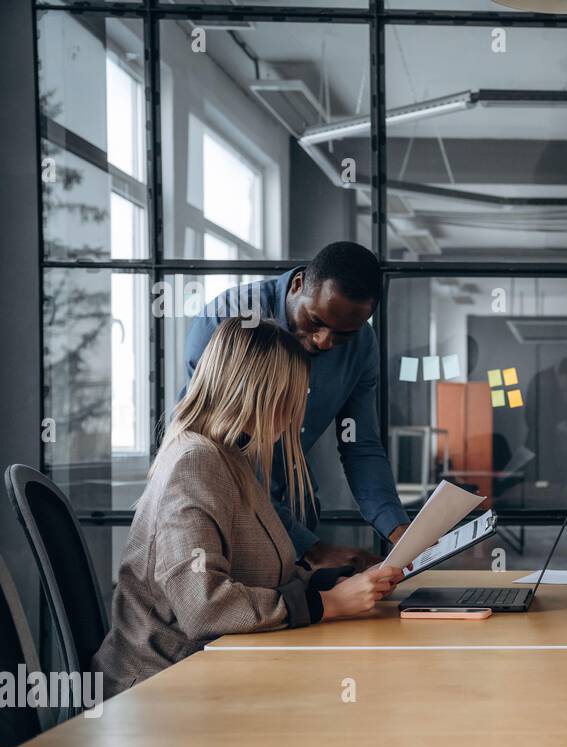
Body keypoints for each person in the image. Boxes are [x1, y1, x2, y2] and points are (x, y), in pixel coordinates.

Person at [93, 319, 404, 698]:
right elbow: (204, 607)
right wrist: (326, 605)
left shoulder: (231, 459)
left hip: (208, 674)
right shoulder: (193, 463)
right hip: (158, 692)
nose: (297, 412)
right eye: (290, 396)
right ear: (255, 391)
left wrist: (329, 584)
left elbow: (257, 575)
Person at [184, 241, 407, 570]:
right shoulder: (232, 320)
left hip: (297, 513)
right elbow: (207, 447)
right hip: (229, 517)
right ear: (299, 284)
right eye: (315, 322)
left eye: (343, 335)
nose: (324, 342)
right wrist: (311, 549)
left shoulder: (362, 345)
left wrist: (400, 532)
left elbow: (359, 444)